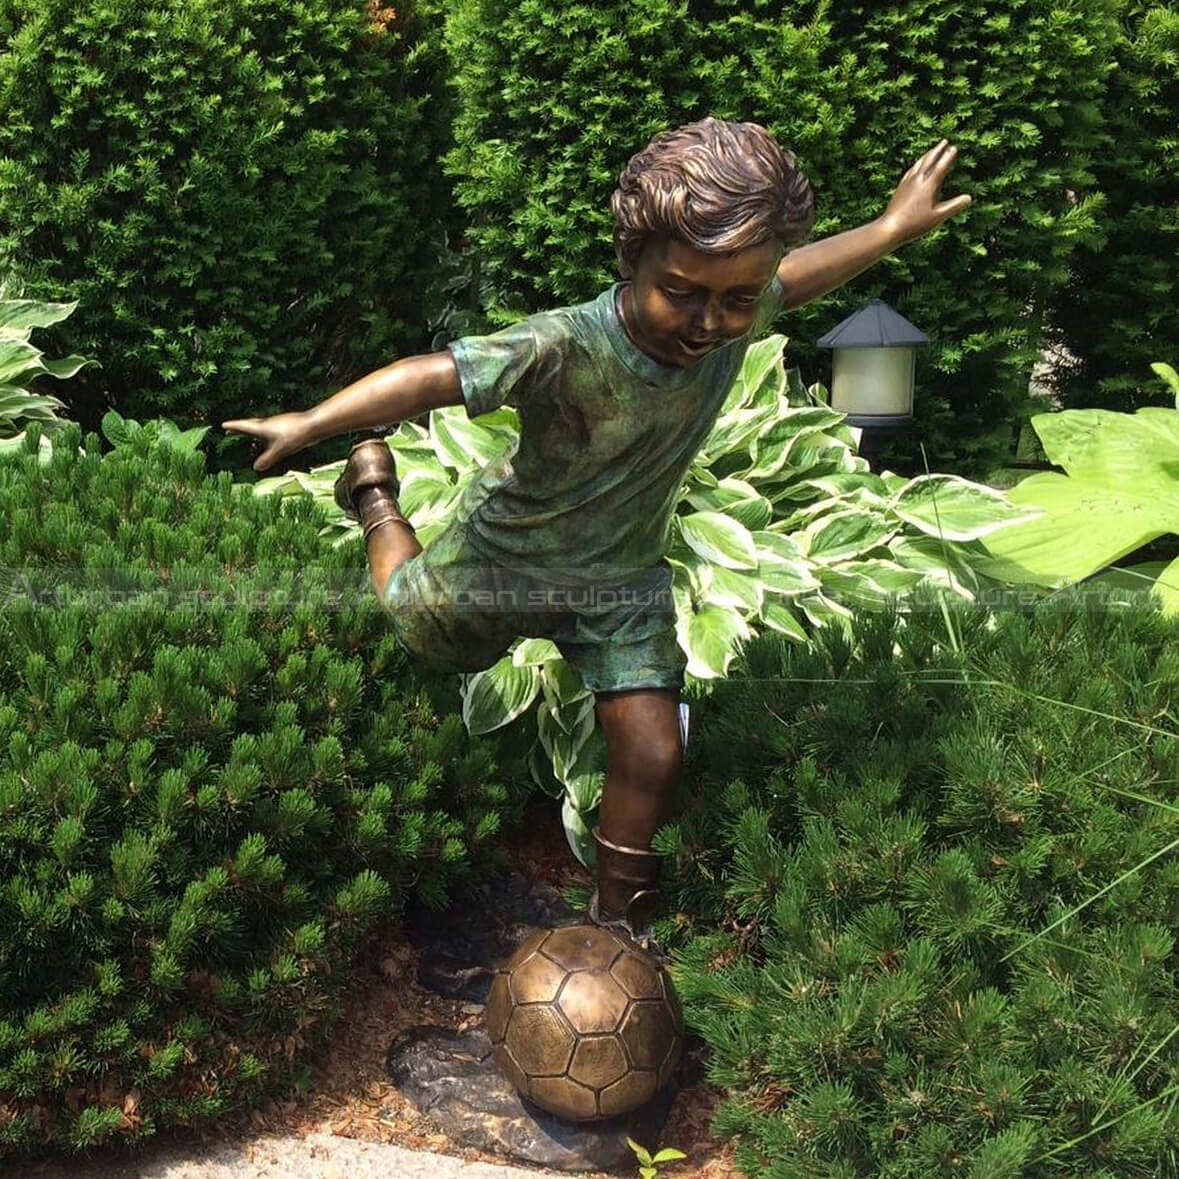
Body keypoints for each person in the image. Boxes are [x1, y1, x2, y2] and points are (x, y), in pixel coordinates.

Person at [223, 118, 970, 948]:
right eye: (681, 291)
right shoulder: (561, 344)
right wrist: (311, 422)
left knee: (651, 750)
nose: (709, 320)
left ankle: (618, 920)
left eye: (736, 299)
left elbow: (796, 278)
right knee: (420, 625)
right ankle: (373, 494)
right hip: (508, 554)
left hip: (621, 579)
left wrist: (891, 227)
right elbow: (433, 376)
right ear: (631, 260)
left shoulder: (736, 305)